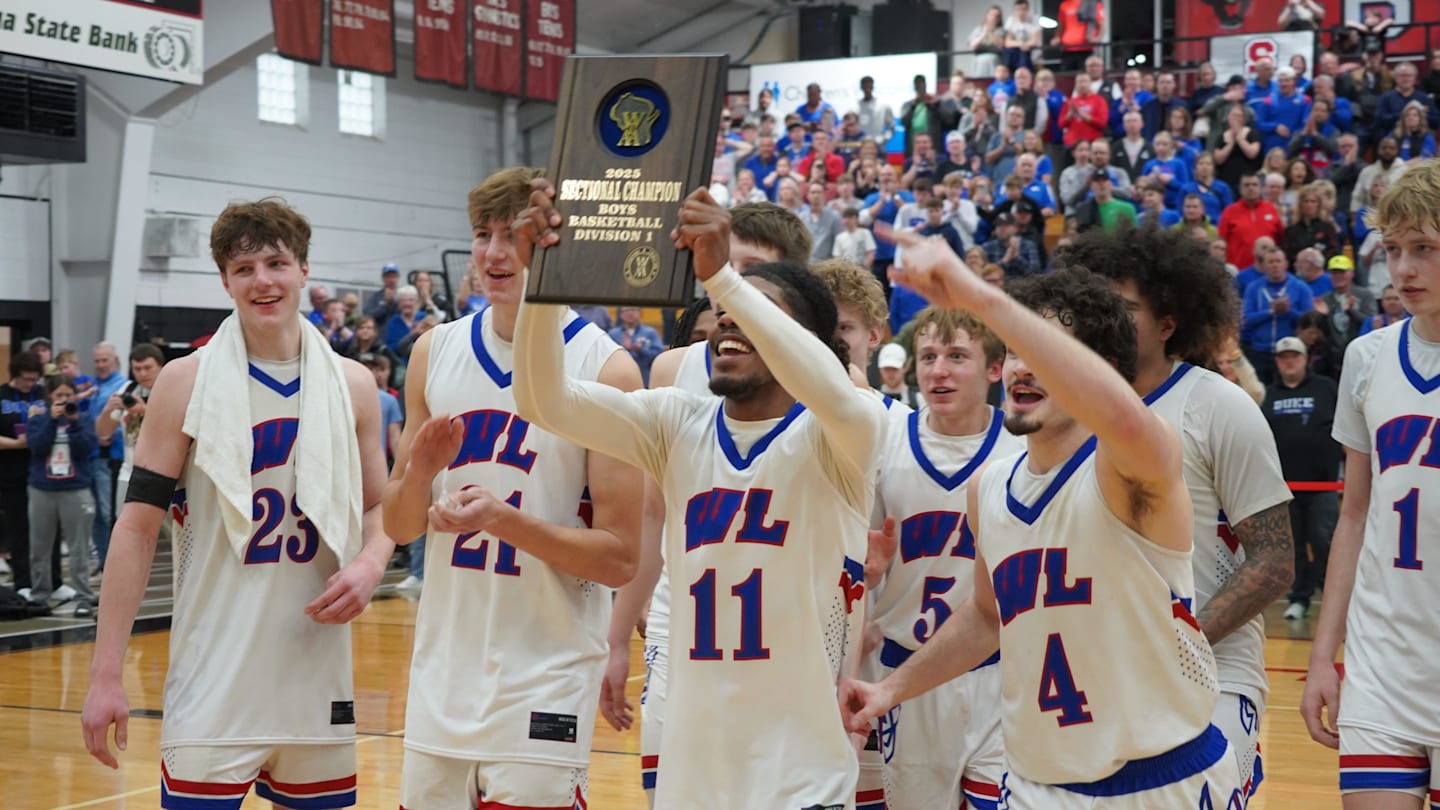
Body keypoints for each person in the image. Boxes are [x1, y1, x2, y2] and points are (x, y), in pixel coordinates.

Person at [513, 180, 885, 808]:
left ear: (804, 340)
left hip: (801, 770)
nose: (727, 318)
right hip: (695, 769)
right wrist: (540, 284)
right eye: (722, 313)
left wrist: (724, 279)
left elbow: (830, 386)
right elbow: (543, 401)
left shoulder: (845, 432)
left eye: (755, 310)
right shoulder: (676, 421)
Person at [839, 235, 1242, 807]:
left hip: (1161, 779)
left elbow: (1125, 418)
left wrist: (980, 297)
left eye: (1045, 352)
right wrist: (889, 689)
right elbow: (986, 617)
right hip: (1038, 783)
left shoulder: (1136, 463)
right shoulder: (989, 488)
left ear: (1100, 371)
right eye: (1015, 351)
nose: (1023, 368)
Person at [80, 199, 392, 807]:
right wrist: (106, 674)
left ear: (304, 269)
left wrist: (371, 563)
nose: (262, 281)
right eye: (243, 269)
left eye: (276, 263)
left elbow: (379, 509)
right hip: (213, 673)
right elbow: (136, 530)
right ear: (225, 281)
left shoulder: (354, 384)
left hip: (315, 670)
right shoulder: (184, 381)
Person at [379, 167, 642, 809]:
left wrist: (502, 520)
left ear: (552, 245)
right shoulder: (433, 352)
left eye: (513, 236)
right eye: (482, 234)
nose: (494, 254)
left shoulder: (607, 368)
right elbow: (398, 526)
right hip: (443, 671)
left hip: (546, 672)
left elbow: (619, 557)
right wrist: (420, 475)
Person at [1058, 223, 1296, 801]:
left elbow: (1273, 560)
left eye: (1123, 309)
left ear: (1168, 324)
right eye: (1094, 305)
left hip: (1214, 674)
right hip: (1097, 678)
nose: (1104, 321)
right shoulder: (1062, 412)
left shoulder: (1220, 406)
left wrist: (1177, 644)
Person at [1300, 160, 1440, 810]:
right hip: (1381, 660)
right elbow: (1352, 515)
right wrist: (1322, 657)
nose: (1403, 270)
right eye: (1393, 250)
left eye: (1424, 249)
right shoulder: (1367, 357)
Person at [866, 306, 1022, 808]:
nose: (939, 371)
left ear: (994, 368)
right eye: (929, 356)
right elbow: (862, 562)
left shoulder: (1023, 447)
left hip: (1004, 671)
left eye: (957, 356)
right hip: (910, 673)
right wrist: (866, 574)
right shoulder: (885, 442)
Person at [24, 375, 99, 616]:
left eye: (68, 395)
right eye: (59, 395)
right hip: (42, 490)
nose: (64, 400)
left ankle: (84, 596)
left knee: (79, 548)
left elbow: (87, 448)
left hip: (75, 489)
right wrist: (52, 420)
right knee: (40, 547)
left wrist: (74, 423)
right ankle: (40, 596)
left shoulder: (84, 419)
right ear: (50, 396)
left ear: (75, 396)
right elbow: (37, 446)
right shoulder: (38, 419)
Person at [95, 345, 164, 508]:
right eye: (137, 369)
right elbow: (103, 433)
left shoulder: (171, 390)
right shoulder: (128, 389)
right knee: (123, 520)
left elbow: (177, 428)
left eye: (148, 368)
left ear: (161, 367)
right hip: (129, 471)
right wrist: (107, 410)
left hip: (161, 472)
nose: (143, 374)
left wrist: (145, 411)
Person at [1243, 248, 1316, 383]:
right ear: (1264, 266)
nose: (1275, 265)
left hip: (1290, 351)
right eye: (1271, 262)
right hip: (1260, 350)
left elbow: (1310, 321)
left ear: (1286, 264)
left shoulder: (1301, 287)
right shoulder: (1253, 288)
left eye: (1278, 261)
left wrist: (1289, 311)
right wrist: (1270, 312)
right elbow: (1246, 319)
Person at [610, 306, 665, 386]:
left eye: (633, 310)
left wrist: (641, 350)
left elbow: (659, 354)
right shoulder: (613, 334)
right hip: (620, 378)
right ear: (621, 315)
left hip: (645, 378)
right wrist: (623, 349)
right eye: (627, 310)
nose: (630, 313)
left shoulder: (650, 332)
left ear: (640, 313)